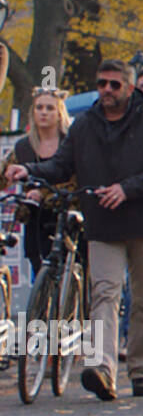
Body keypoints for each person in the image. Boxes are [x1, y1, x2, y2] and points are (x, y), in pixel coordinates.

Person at [4, 59, 143, 399]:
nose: (107, 90)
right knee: (104, 293)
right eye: (102, 83)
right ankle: (102, 367)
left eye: (115, 84)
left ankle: (140, 368)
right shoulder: (85, 124)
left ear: (129, 89)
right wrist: (27, 170)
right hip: (101, 222)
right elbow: (62, 164)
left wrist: (128, 188)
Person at [2, 88, 73, 280]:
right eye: (39, 107)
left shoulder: (70, 143)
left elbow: (77, 179)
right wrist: (8, 174)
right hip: (35, 216)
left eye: (49, 108)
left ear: (59, 113)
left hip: (66, 215)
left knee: (67, 270)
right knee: (38, 269)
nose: (43, 112)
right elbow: (6, 173)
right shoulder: (24, 146)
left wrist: (44, 194)